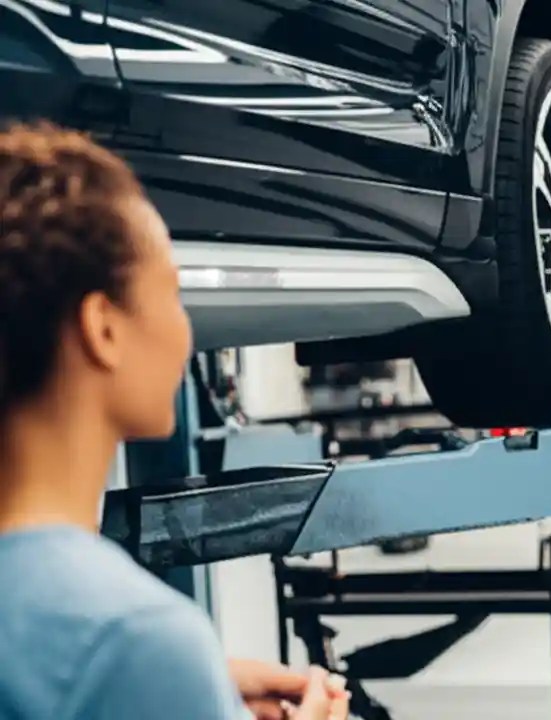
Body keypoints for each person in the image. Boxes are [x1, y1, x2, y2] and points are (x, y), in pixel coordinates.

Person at [0, 121, 349, 719]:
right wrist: (170, 680)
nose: (186, 330)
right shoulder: (134, 638)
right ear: (103, 329)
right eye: (171, 292)